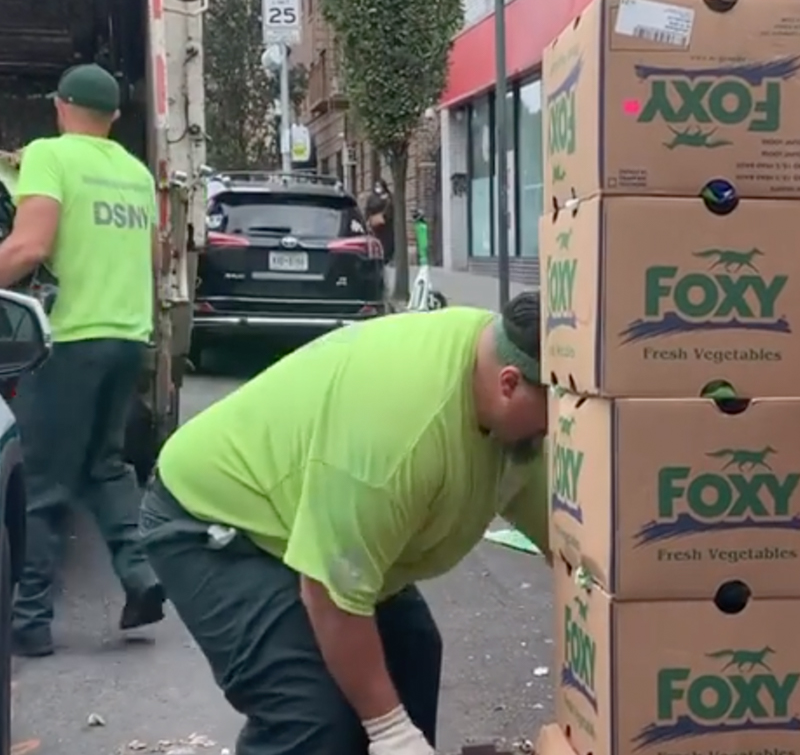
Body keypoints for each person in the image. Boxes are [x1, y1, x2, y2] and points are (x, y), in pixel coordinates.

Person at [140, 295, 550, 754]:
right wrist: (391, 732)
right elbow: (331, 594)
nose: (554, 429)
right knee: (309, 716)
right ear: (509, 383)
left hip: (314, 515)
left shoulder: (508, 383)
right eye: (549, 415)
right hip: (218, 516)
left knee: (411, 653)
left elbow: (567, 533)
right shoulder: (399, 439)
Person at [0, 63, 167, 656]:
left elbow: (30, 245)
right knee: (104, 464)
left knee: (43, 481)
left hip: (70, 338)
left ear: (60, 105)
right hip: (128, 336)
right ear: (115, 116)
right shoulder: (136, 173)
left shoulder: (50, 155)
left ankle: (30, 622)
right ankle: (141, 577)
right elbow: (154, 255)